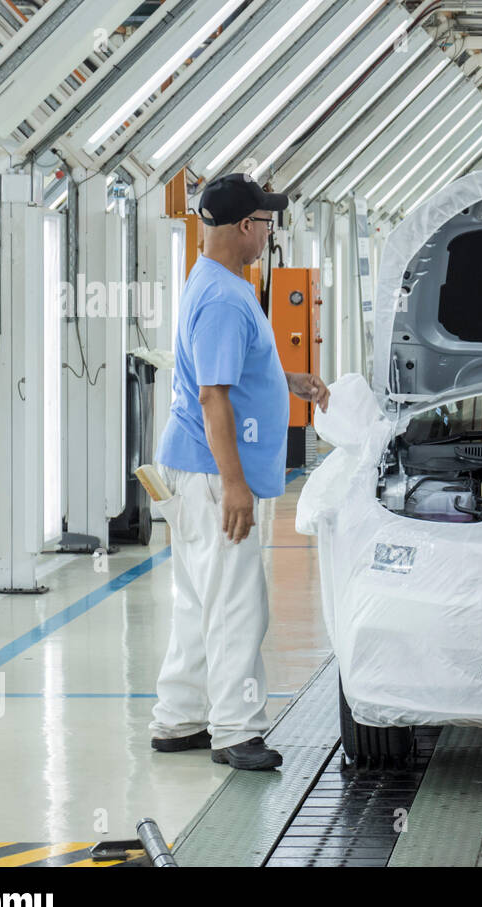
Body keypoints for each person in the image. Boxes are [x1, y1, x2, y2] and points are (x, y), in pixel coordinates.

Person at [149, 172, 329, 771]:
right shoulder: (227, 298)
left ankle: (178, 720)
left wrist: (288, 382)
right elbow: (213, 397)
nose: (269, 234)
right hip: (213, 475)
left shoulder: (212, 281)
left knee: (198, 598)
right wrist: (234, 484)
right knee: (235, 603)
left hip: (193, 468)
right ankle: (236, 730)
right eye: (266, 223)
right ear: (245, 227)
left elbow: (230, 379)